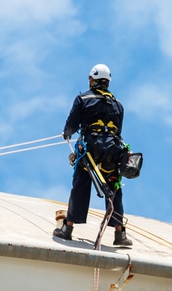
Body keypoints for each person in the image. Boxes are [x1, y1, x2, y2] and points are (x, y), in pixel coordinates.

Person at [54, 64, 133, 247]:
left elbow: (72, 126)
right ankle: (119, 234)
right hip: (112, 151)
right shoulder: (118, 105)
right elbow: (118, 131)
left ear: (92, 79)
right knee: (114, 187)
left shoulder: (83, 99)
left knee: (80, 185)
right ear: (107, 82)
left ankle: (68, 229)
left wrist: (67, 134)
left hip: (90, 150)